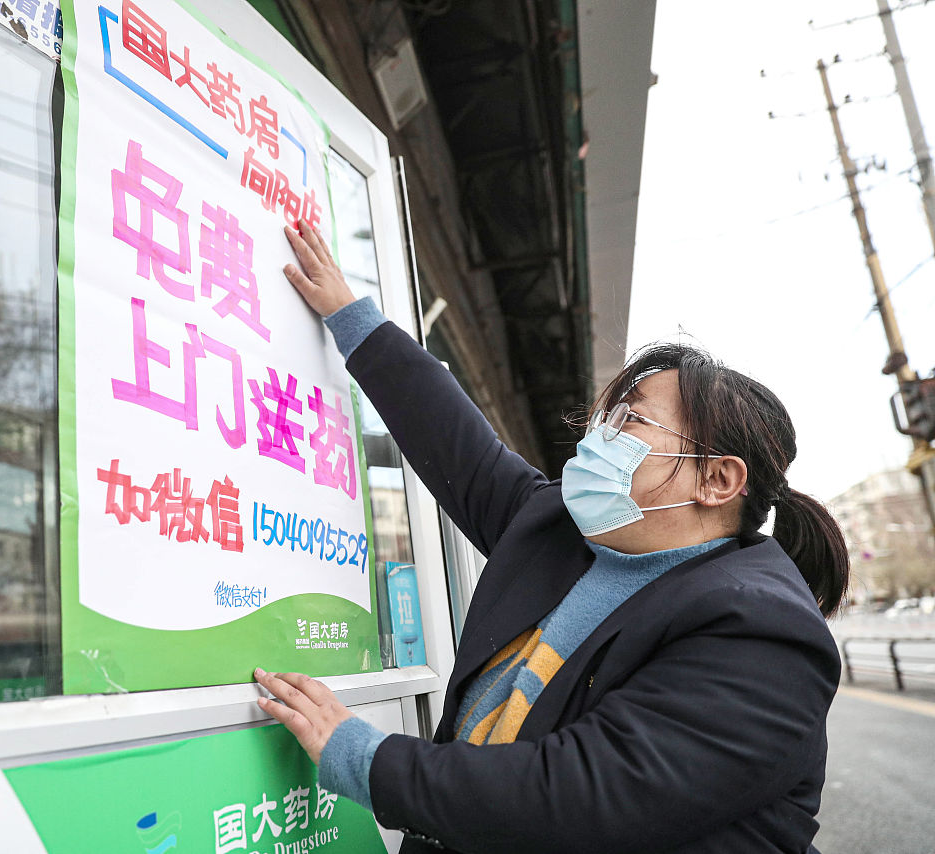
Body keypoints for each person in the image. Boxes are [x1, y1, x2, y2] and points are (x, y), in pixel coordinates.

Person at [252, 221, 848, 854]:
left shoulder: (763, 635)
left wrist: (367, 760)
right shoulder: (562, 533)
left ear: (719, 480)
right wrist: (352, 317)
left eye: (632, 420)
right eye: (605, 416)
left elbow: (581, 795)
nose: (598, 435)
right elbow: (455, 441)